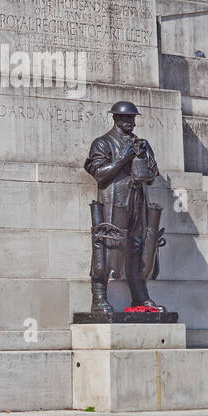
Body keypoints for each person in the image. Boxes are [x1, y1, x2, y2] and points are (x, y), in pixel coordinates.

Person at [84, 101, 166, 315]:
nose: (130, 122)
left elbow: (152, 176)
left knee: (138, 248)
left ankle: (140, 296)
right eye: (125, 118)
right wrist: (123, 158)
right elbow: (100, 174)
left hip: (137, 200)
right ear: (115, 119)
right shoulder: (102, 143)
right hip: (113, 201)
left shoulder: (140, 143)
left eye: (132, 118)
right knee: (106, 246)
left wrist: (146, 158)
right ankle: (99, 298)